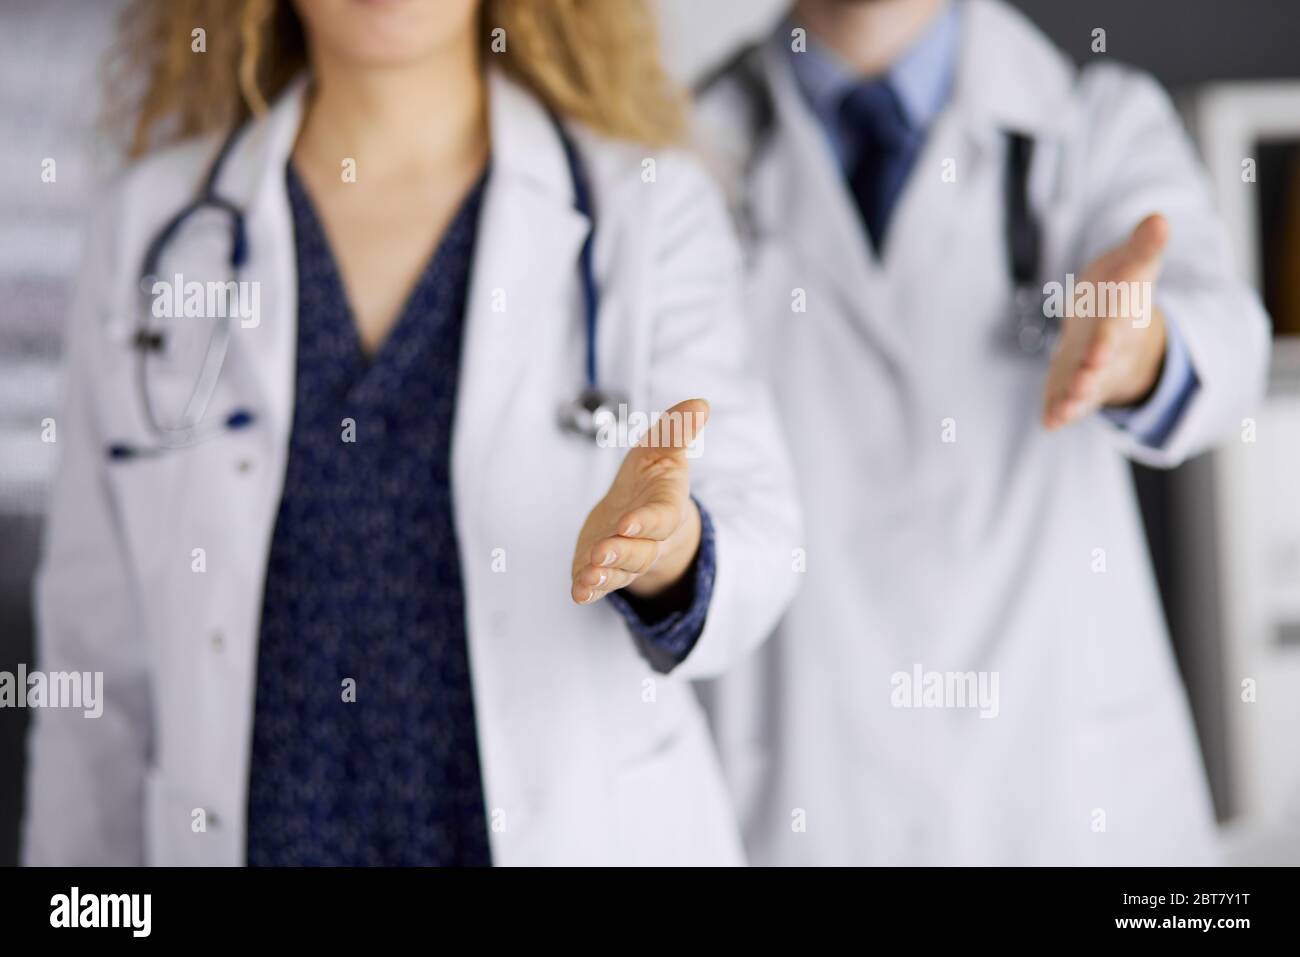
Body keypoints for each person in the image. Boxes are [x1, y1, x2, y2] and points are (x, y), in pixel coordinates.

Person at [23, 0, 799, 866]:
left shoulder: (650, 213)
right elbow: (93, 660)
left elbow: (761, 536)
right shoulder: (146, 232)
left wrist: (671, 554)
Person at [695, 0, 1270, 865]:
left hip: (1064, 793)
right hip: (807, 790)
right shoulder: (678, 151)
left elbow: (1224, 333)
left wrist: (1144, 348)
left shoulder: (1092, 121)